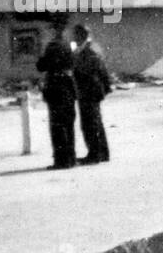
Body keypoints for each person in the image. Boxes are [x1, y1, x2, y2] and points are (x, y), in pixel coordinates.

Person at [35, 22, 77, 169]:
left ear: (53, 32)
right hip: (68, 87)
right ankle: (71, 158)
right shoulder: (68, 46)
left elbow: (41, 66)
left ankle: (61, 161)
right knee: (69, 125)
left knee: (58, 127)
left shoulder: (52, 47)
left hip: (56, 89)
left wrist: (41, 55)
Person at [72, 23, 112, 164]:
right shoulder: (89, 49)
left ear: (82, 35)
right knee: (95, 123)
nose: (74, 38)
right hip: (91, 91)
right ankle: (102, 153)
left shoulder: (89, 51)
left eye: (76, 35)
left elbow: (88, 71)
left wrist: (74, 62)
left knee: (90, 124)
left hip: (89, 92)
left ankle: (95, 154)